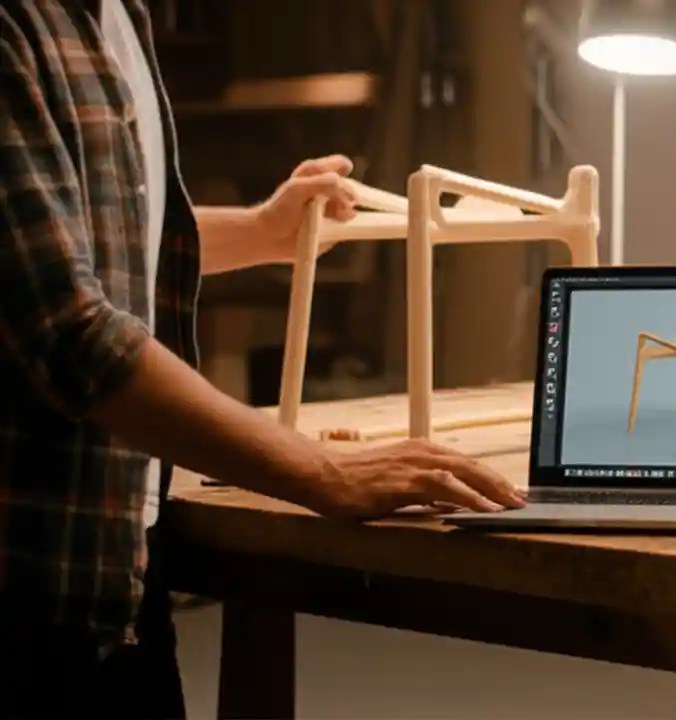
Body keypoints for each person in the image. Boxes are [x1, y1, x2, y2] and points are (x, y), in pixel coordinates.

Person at [0, 2, 524, 716]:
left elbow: (107, 241)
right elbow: (65, 328)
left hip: (112, 567)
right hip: (26, 582)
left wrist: (260, 230)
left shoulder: (116, 16)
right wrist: (321, 469)